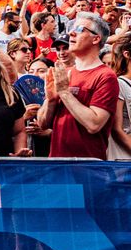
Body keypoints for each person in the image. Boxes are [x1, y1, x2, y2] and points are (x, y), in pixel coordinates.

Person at [37, 15, 119, 159]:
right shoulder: (65, 74)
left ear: (96, 39)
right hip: (56, 163)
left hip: (86, 168)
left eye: (80, 29)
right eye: (72, 29)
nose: (71, 33)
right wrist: (51, 101)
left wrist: (64, 92)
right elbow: (42, 124)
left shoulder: (106, 76)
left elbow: (94, 124)